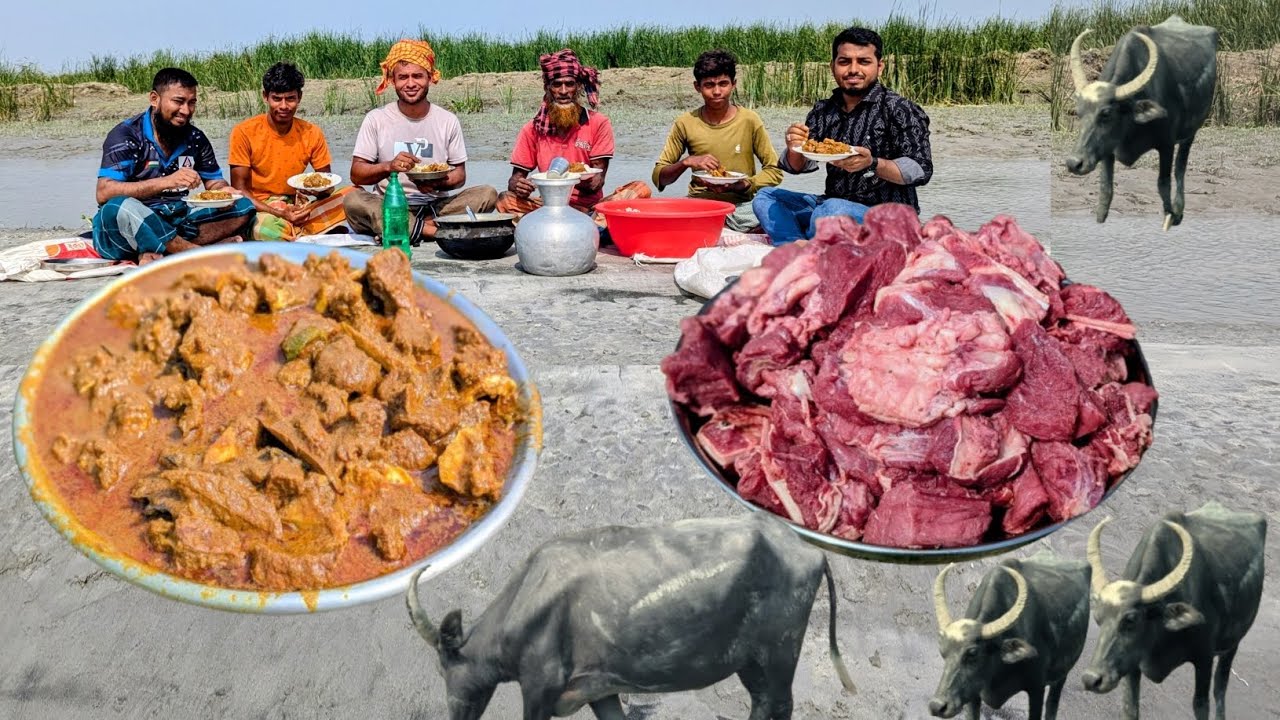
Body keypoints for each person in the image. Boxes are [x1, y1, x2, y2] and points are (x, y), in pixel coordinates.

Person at [753, 27, 933, 245]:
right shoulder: (824, 110)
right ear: (833, 66)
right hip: (833, 203)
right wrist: (794, 147)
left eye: (864, 62)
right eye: (844, 61)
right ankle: (793, 246)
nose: (853, 69)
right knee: (767, 198)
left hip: (888, 215)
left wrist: (873, 163)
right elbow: (798, 166)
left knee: (828, 211)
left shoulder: (899, 109)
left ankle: (812, 242)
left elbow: (921, 170)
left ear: (880, 66)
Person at [92, 68, 255, 263]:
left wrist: (224, 192)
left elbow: (214, 182)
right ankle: (196, 253)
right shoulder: (126, 135)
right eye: (178, 101)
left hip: (176, 218)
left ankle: (160, 249)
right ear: (155, 99)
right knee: (119, 207)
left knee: (244, 205)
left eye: (192, 102)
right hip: (130, 224)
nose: (186, 111)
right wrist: (166, 182)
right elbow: (104, 192)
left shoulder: (195, 138)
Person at [343, 39, 497, 244]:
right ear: (392, 80)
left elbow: (459, 175)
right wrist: (389, 167)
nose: (410, 84)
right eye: (403, 77)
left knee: (488, 194)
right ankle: (431, 231)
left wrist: (437, 182)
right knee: (353, 200)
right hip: (389, 203)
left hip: (436, 206)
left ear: (430, 78)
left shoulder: (447, 120)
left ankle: (409, 226)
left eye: (417, 76)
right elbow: (356, 174)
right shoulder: (376, 119)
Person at [495, 48, 650, 229]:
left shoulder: (598, 123)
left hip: (589, 209)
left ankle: (570, 228)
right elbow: (514, 180)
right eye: (556, 84)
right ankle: (589, 231)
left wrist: (570, 176)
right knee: (505, 200)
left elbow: (596, 183)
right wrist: (519, 186)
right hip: (548, 207)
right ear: (548, 88)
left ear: (578, 87)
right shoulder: (533, 128)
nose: (563, 91)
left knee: (639, 189)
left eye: (569, 84)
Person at [652, 49, 782, 233]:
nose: (717, 91)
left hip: (742, 206)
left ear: (734, 84)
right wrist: (687, 162)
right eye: (709, 85)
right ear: (697, 86)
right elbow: (659, 176)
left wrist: (745, 184)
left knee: (775, 214)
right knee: (663, 219)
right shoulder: (685, 123)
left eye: (723, 84)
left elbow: (775, 171)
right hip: (700, 204)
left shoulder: (750, 120)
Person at [228, 62, 352, 241]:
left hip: (297, 204)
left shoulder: (311, 132)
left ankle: (297, 232)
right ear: (265, 97)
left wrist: (316, 191)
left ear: (299, 97)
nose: (284, 106)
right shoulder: (244, 132)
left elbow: (327, 184)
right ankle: (305, 232)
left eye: (290, 98)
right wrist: (280, 213)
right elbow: (240, 191)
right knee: (265, 229)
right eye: (277, 98)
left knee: (352, 195)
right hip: (261, 207)